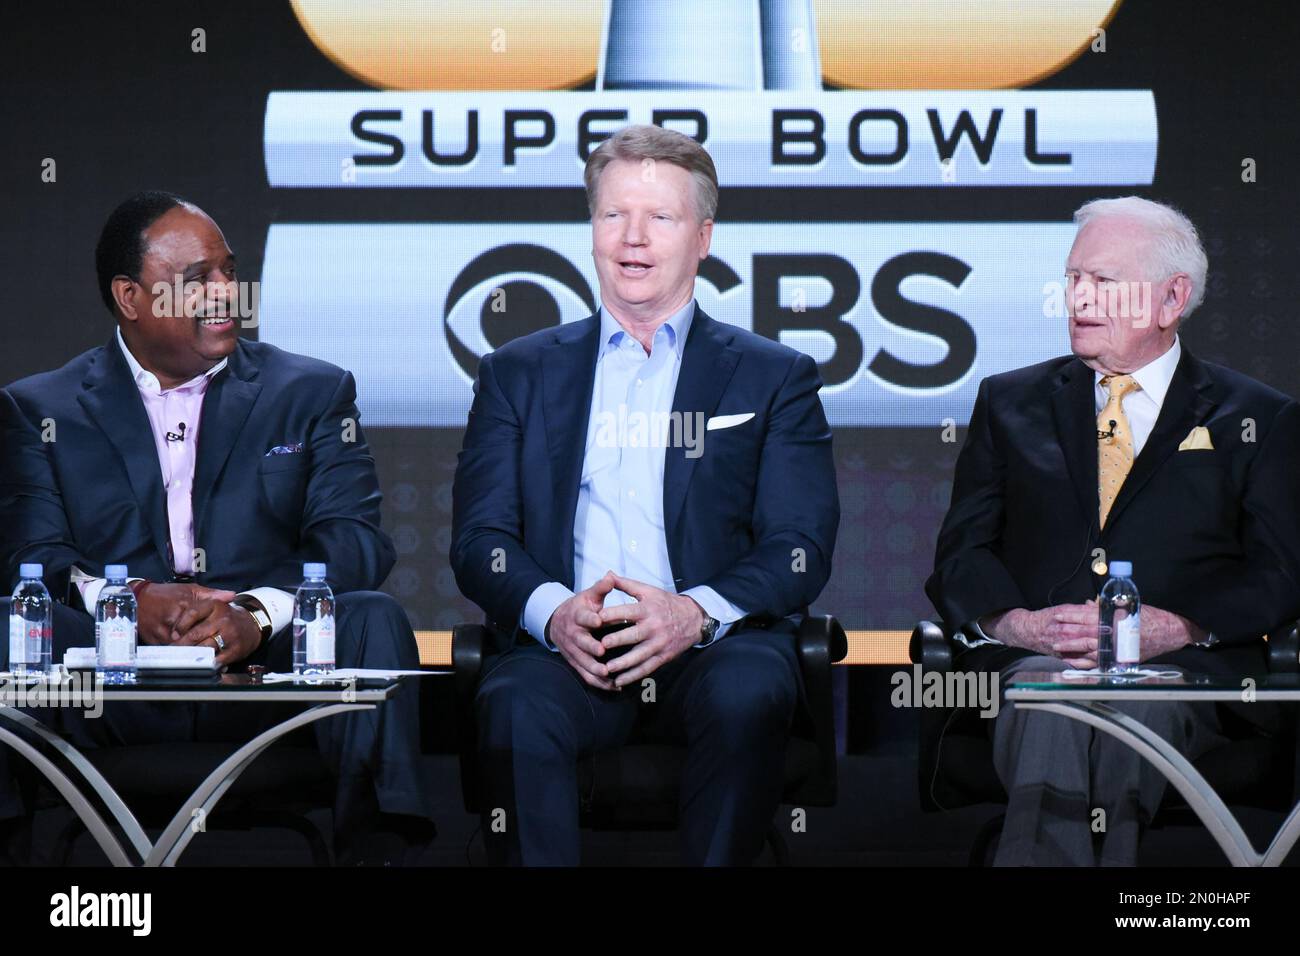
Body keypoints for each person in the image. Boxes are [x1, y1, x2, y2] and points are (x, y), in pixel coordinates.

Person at [0, 191, 434, 864]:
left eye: (231, 271)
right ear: (130, 296)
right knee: (9, 617)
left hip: (264, 683)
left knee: (370, 616)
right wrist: (130, 602)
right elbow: (35, 551)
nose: (228, 293)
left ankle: (380, 852)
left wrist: (254, 613)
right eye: (197, 280)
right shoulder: (40, 408)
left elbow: (355, 538)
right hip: (114, 686)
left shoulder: (311, 392)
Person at [451, 125, 840, 865]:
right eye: (612, 215)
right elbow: (480, 541)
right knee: (512, 703)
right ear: (591, 230)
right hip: (569, 651)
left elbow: (799, 546)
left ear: (702, 237)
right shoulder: (517, 371)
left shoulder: (773, 376)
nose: (632, 238)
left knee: (749, 690)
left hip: (715, 648)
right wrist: (553, 614)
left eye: (659, 218)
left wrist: (693, 613)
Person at [927, 196, 1300, 865]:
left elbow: (1280, 574)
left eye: (1104, 282)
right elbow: (961, 555)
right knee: (1056, 698)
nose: (1079, 298)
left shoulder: (1257, 418)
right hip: (1036, 666)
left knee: (1134, 705)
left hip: (1185, 674)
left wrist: (1180, 627)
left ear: (1170, 298)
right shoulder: (1010, 403)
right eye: (1073, 280)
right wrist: (1018, 625)